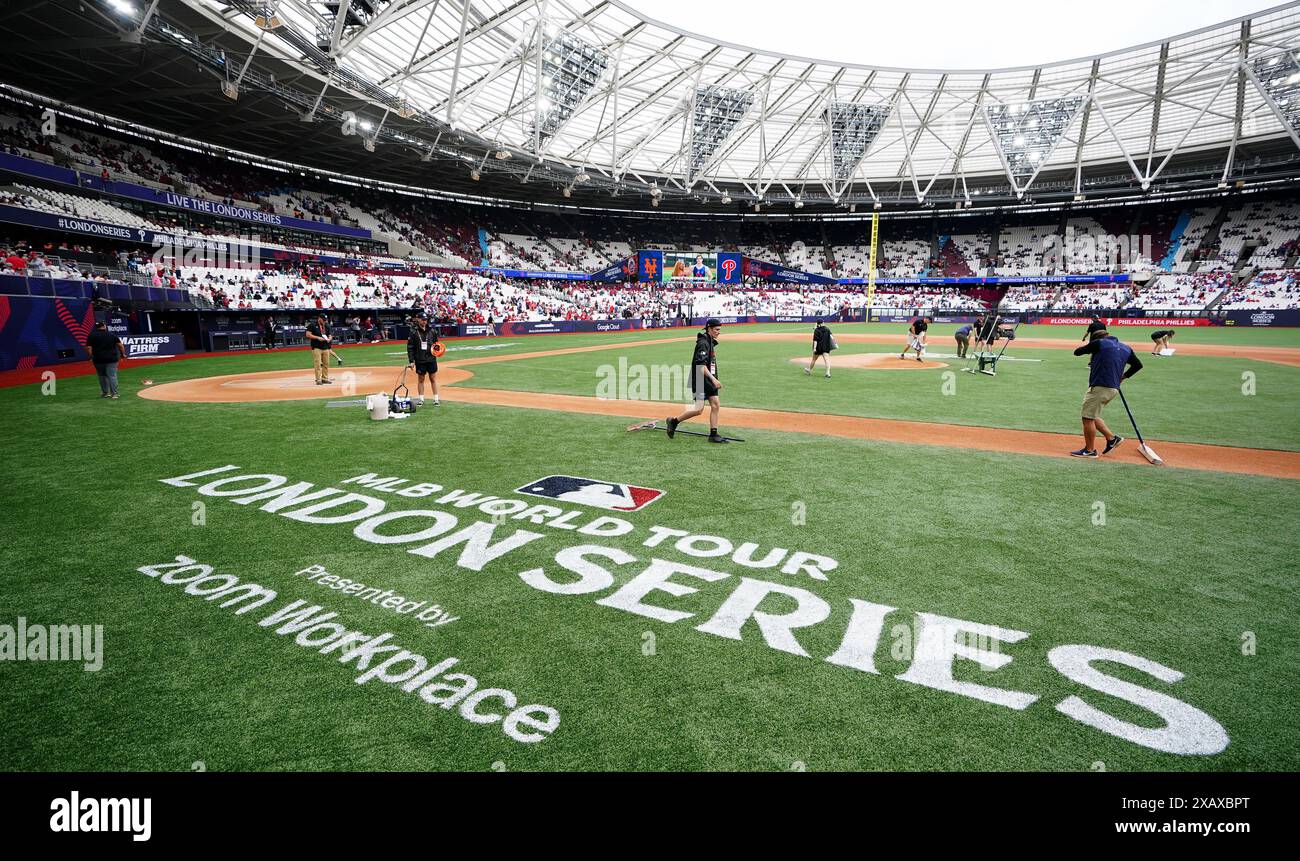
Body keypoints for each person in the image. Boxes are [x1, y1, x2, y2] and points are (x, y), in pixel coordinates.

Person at [1070, 329, 1143, 458]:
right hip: (1113, 388)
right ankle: (1111, 438)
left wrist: (1092, 348)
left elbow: (1077, 352)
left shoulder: (1099, 343)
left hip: (1100, 386)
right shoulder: (1126, 348)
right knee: (1092, 414)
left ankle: (1090, 450)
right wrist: (1123, 377)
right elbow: (1137, 365)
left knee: (1087, 418)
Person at [666, 318, 727, 443]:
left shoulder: (710, 342)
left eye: (719, 330)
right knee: (699, 409)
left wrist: (713, 378)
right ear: (709, 328)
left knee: (715, 405)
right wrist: (713, 380)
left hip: (709, 379)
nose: (719, 332)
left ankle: (713, 435)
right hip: (700, 379)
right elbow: (700, 366)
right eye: (717, 329)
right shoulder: (703, 343)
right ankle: (673, 421)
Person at [406, 311, 440, 406]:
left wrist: (437, 351)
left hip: (431, 359)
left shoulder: (432, 331)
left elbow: (436, 344)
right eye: (423, 320)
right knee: (421, 379)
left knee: (433, 379)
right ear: (418, 319)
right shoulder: (413, 331)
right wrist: (411, 361)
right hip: (420, 359)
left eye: (426, 320)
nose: (424, 321)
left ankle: (436, 399)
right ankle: (421, 399)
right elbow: (410, 347)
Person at [85, 320, 126, 399]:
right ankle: (115, 394)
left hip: (98, 359)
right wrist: (122, 354)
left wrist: (90, 356)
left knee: (101, 376)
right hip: (111, 359)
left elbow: (88, 347)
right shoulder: (111, 334)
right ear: (104, 326)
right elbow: (120, 346)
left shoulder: (91, 335)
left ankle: (105, 393)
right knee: (112, 376)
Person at [305, 312, 333, 385]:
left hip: (325, 347)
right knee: (318, 364)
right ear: (319, 318)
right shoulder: (312, 325)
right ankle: (318, 379)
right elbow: (308, 334)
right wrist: (317, 338)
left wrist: (329, 338)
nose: (324, 321)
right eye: (323, 319)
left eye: (325, 320)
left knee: (326, 363)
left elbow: (330, 335)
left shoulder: (326, 325)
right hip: (316, 347)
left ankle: (325, 378)